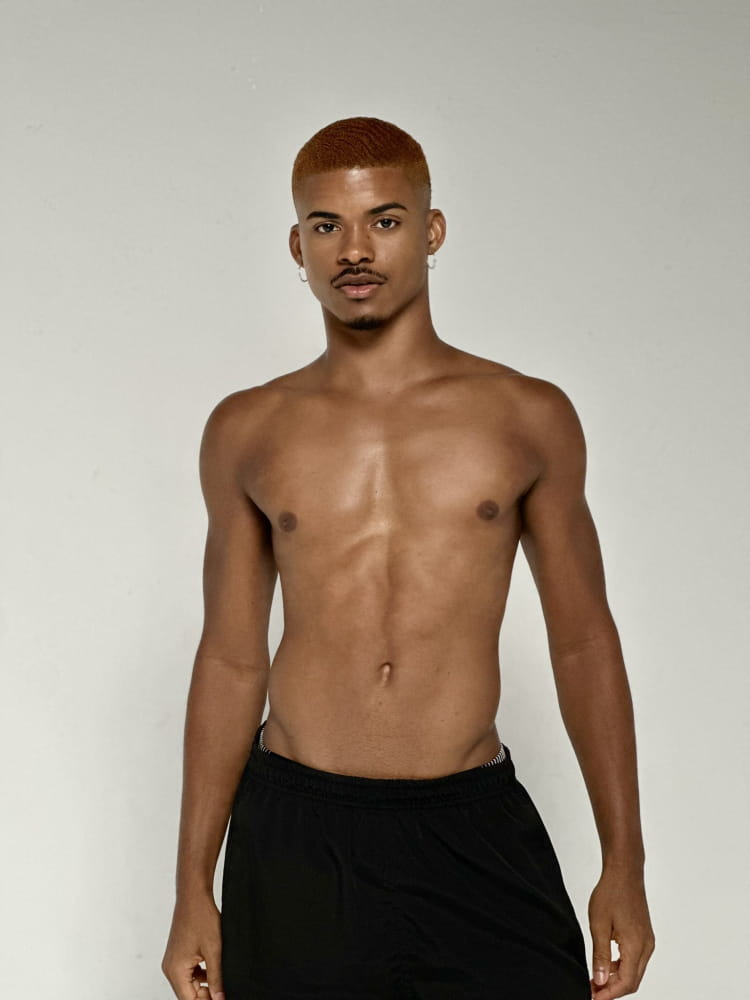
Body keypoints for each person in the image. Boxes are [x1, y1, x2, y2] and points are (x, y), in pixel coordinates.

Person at [161, 116, 655, 1000]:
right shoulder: (248, 430)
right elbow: (231, 658)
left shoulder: (526, 417)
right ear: (297, 245)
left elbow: (584, 642)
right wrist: (191, 885)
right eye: (327, 226)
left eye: (384, 221)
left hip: (470, 824)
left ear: (431, 231)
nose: (354, 250)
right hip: (297, 833)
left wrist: (626, 863)